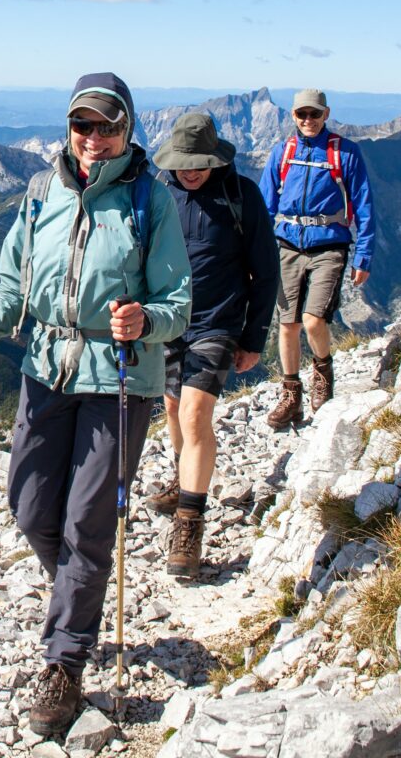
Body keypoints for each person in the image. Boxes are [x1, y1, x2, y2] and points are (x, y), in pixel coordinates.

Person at [0, 72, 191, 739]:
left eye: (106, 126)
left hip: (120, 378)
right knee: (28, 506)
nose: (91, 139)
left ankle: (65, 661)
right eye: (81, 126)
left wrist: (145, 321)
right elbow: (11, 287)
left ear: (128, 128)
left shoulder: (150, 202)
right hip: (46, 371)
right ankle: (80, 592)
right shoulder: (42, 193)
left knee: (86, 523)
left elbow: (178, 303)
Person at [144, 112, 279, 578]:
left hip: (217, 323)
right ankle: (184, 479)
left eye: (198, 162)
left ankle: (189, 524)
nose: (191, 171)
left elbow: (266, 271)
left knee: (194, 412)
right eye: (183, 162)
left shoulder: (242, 196)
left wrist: (254, 337)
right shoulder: (159, 194)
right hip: (166, 321)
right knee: (171, 406)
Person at [256, 88, 376, 429]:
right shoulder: (283, 152)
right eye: (301, 114)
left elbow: (364, 206)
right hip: (287, 245)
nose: (308, 121)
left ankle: (323, 374)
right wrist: (258, 253)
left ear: (326, 114)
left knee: (313, 320)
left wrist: (363, 255)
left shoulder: (346, 153)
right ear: (293, 116)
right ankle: (291, 395)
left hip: (329, 245)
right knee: (288, 324)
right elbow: (265, 206)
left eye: (314, 114)